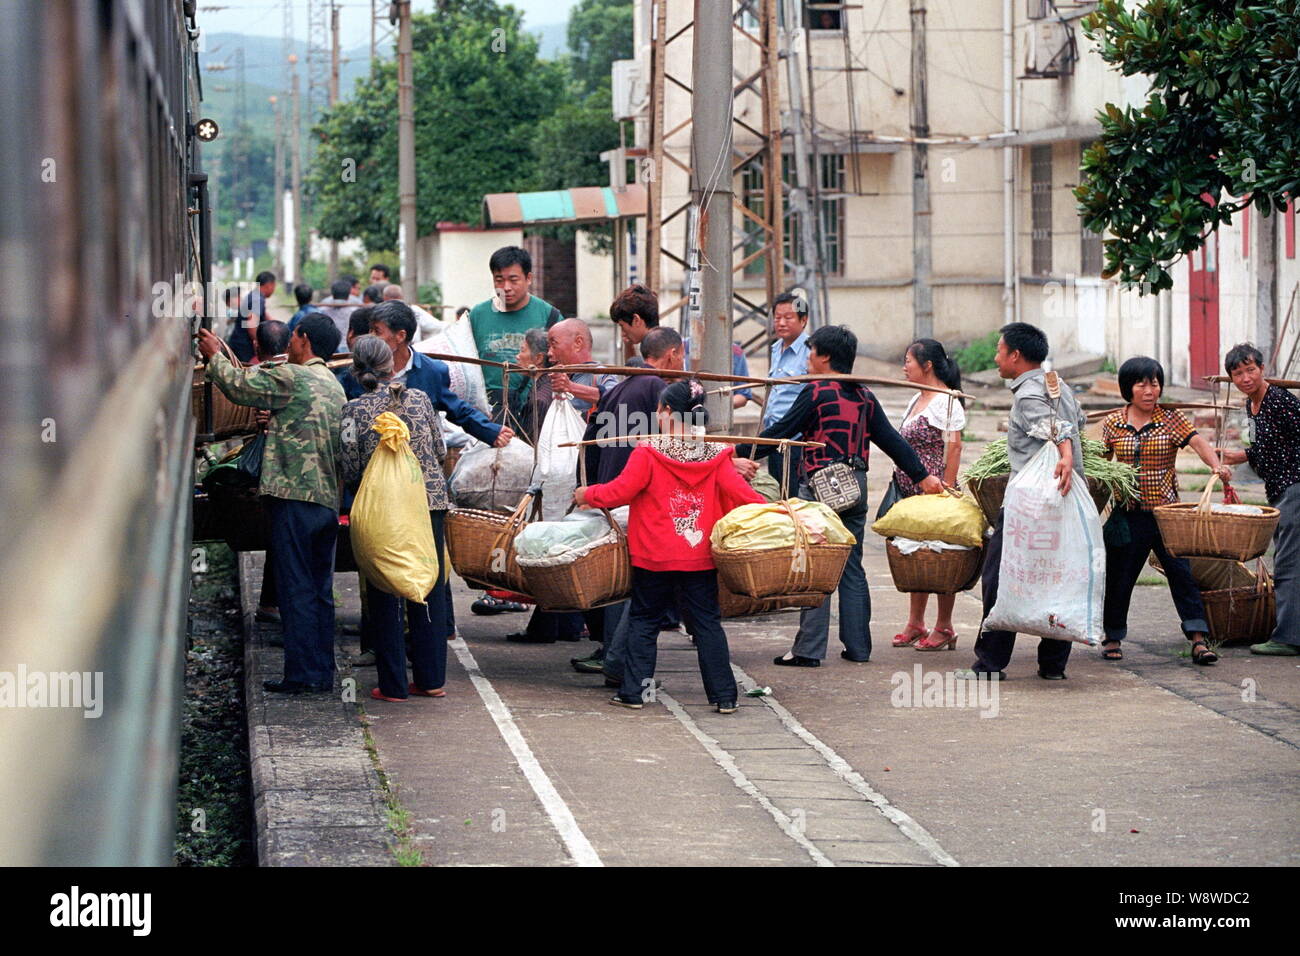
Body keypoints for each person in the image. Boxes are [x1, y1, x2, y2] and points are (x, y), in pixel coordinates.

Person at [743, 325, 942, 666]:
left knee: (817, 568)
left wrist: (738, 452)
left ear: (824, 356)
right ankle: (859, 647)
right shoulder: (863, 396)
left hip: (820, 489)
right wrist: (924, 477)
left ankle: (807, 651)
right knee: (851, 567)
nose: (807, 358)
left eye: (811, 352)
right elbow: (892, 442)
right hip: (855, 487)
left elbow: (781, 432)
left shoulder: (816, 391)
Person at [574, 379, 767, 713]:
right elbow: (743, 496)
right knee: (707, 624)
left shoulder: (648, 453)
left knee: (644, 622)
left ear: (666, 412)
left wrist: (586, 495)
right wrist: (782, 512)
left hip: (654, 557)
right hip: (699, 558)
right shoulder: (715, 455)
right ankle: (724, 697)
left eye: (659, 409)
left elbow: (619, 492)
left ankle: (635, 693)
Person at [197, 314, 346, 694]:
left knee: (294, 587)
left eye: (294, 336)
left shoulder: (292, 376)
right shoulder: (332, 384)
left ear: (304, 339)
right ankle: (322, 671)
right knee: (318, 590)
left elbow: (239, 386)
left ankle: (302, 676)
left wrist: (215, 355)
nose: (290, 344)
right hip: (326, 500)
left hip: (293, 498)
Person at [958, 322, 1086, 682]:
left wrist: (1064, 454)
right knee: (1054, 578)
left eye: (999, 351)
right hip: (1062, 504)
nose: (996, 358)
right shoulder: (1059, 386)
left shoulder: (1029, 395)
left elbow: (1057, 429)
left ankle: (990, 664)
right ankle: (1053, 665)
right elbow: (1078, 423)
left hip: (1029, 507)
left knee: (1001, 577)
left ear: (1015, 355)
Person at [1099, 356, 1231, 665]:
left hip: (1167, 515)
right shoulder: (1113, 423)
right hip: (1128, 515)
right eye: (1141, 384)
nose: (1149, 390)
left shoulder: (1171, 419)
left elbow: (1198, 443)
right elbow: (1100, 463)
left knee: (1181, 574)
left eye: (1155, 383)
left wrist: (1216, 465)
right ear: (1127, 388)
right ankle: (1112, 636)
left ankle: (1198, 639)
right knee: (1120, 577)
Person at [339, 335, 450, 701]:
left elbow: (350, 466)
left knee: (385, 588)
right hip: (427, 502)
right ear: (391, 364)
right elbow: (440, 449)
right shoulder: (419, 399)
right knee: (428, 583)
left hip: (382, 510)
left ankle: (393, 686)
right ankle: (432, 680)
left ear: (356, 370)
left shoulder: (353, 411)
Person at [1219, 343, 1300, 656]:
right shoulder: (1250, 407)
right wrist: (1243, 457)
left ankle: (1288, 637)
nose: (1245, 377)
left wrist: (1244, 455)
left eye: (1250, 370)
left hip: (1294, 486)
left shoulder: (1279, 401)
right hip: (1279, 489)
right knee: (1288, 557)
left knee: (1289, 561)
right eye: (1238, 373)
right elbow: (1265, 448)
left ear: (1262, 369)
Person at [890, 338, 968, 651]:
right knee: (915, 556)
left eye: (908, 361)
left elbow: (955, 445)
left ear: (927, 365)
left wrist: (945, 493)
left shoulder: (946, 400)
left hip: (937, 493)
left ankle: (945, 626)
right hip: (911, 495)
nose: (904, 367)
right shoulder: (917, 400)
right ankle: (915, 622)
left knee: (940, 558)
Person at [467, 246, 563, 413]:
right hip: (486, 412)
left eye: (513, 279)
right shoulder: (477, 315)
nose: (506, 287)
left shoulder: (550, 316)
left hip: (534, 410)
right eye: (499, 280)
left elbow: (564, 364)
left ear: (529, 278)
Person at [764, 291, 811, 495]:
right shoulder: (776, 349)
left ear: (803, 320)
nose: (781, 323)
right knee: (778, 495)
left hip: (796, 441)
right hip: (774, 438)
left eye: (788, 317)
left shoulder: (810, 351)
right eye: (777, 318)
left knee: (794, 498)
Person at [547, 318, 603, 413]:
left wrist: (571, 387)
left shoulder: (602, 374)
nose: (549, 353)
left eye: (554, 345)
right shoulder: (561, 377)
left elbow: (615, 399)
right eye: (549, 347)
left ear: (578, 343)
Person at [230, 271, 275, 363]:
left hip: (239, 341)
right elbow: (251, 326)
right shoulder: (257, 299)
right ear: (269, 285)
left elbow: (264, 315)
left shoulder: (254, 295)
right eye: (274, 286)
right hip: (244, 346)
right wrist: (260, 345)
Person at [318, 279, 360, 352]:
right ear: (348, 294)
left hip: (333, 348)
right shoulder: (355, 310)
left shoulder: (322, 310)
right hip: (339, 347)